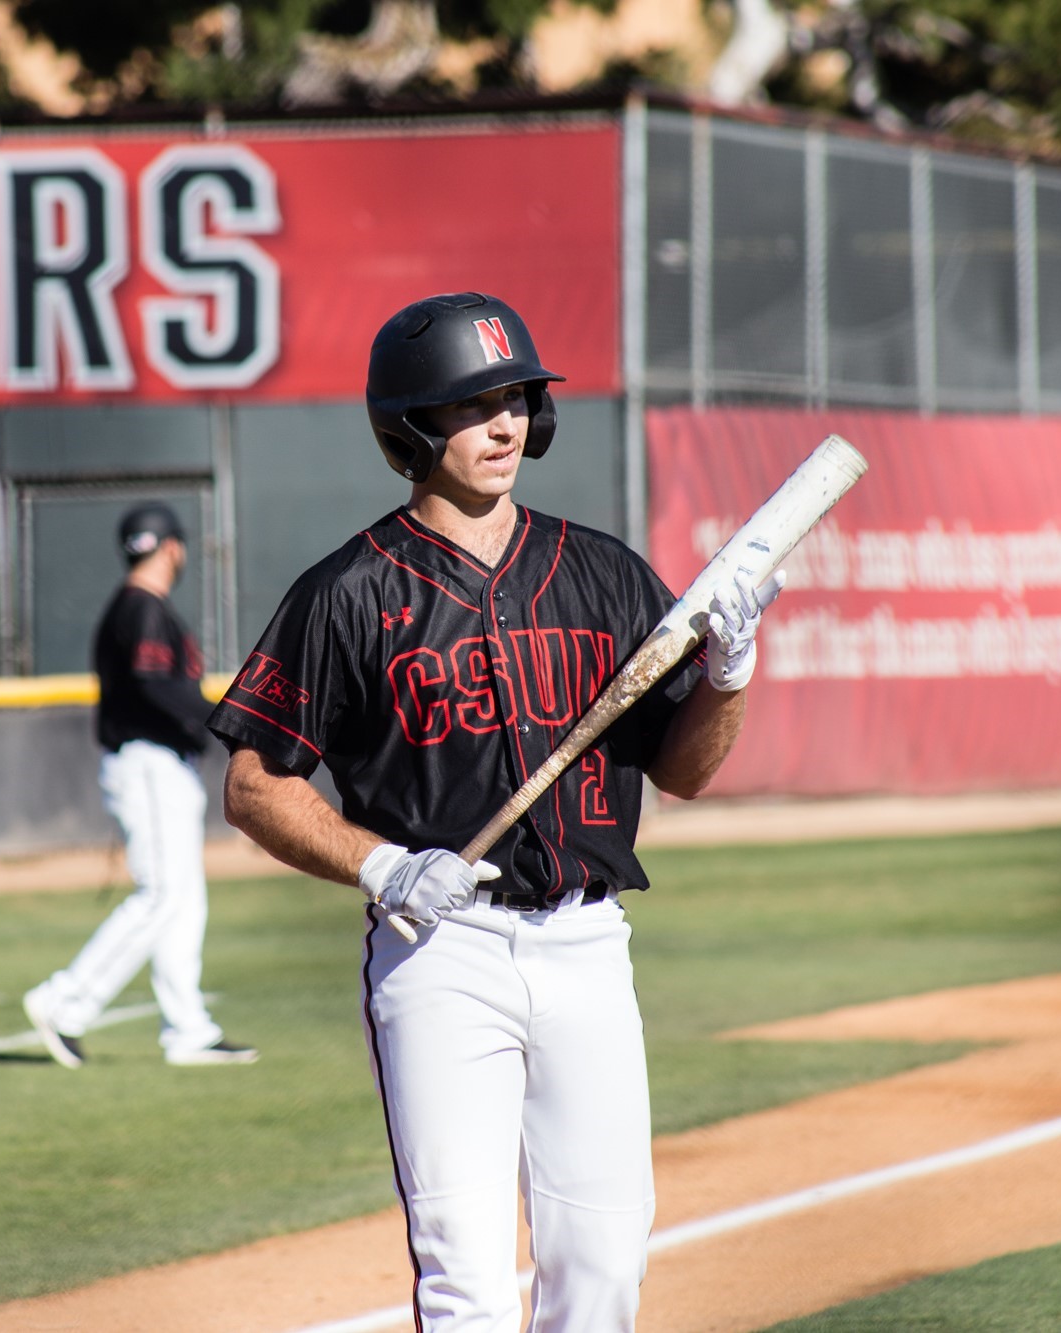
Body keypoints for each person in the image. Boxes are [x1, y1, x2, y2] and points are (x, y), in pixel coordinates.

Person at [206, 292, 778, 1329]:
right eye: (472, 404)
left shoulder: (604, 574)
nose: (504, 422)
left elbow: (683, 771)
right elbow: (253, 783)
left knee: (602, 1268)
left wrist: (727, 676)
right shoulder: (347, 592)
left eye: (514, 397)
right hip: (441, 952)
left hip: (587, 944)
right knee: (465, 1277)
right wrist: (382, 866)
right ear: (411, 428)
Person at [22, 503, 258, 1069]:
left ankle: (188, 1029)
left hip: (157, 764)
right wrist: (226, 720)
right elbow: (155, 685)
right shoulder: (143, 608)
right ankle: (64, 1002)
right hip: (149, 763)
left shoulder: (134, 607)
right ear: (173, 547)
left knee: (183, 900)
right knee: (162, 895)